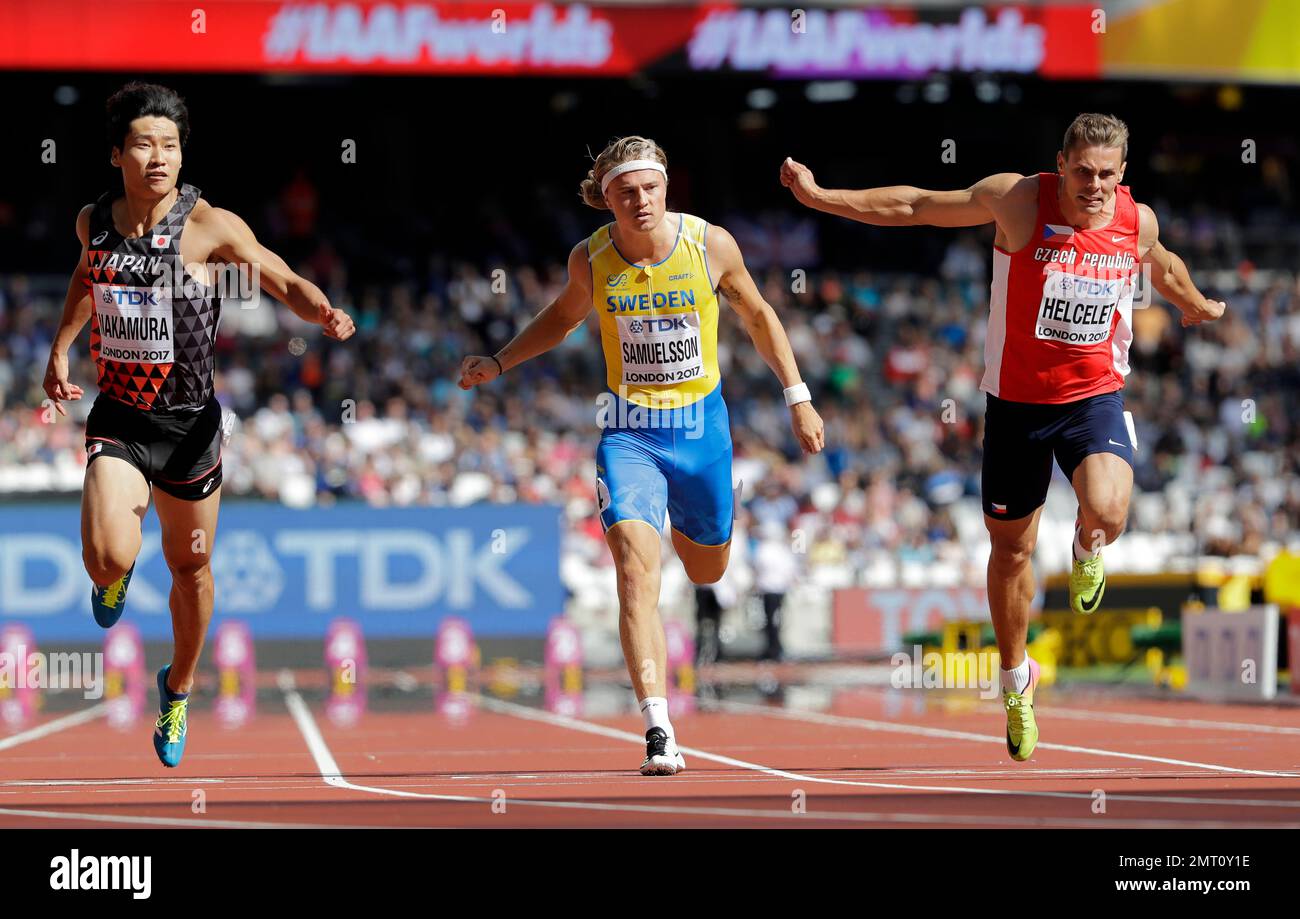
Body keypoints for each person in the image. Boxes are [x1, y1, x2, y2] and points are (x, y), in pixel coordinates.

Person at [780, 113, 1225, 761]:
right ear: (1061, 164)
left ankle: (1085, 544)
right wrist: (823, 198)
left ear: (1121, 173)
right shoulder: (1019, 201)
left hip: (1093, 395)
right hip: (1016, 404)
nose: (1094, 186)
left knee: (1107, 510)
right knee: (1011, 550)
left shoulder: (1137, 219)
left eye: (1107, 174)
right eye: (1082, 172)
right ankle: (1017, 679)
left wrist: (1194, 301)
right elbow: (916, 206)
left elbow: (1159, 261)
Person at [460, 136, 824, 774]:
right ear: (607, 200)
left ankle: (699, 544)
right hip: (628, 429)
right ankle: (659, 725)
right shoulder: (591, 259)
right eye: (625, 193)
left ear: (665, 188)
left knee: (708, 570)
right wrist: (499, 361)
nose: (640, 201)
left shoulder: (709, 245)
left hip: (702, 428)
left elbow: (760, 316)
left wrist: (797, 396)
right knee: (633, 567)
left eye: (649, 188)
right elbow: (562, 317)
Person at [41, 82, 355, 767]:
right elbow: (85, 281)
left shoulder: (209, 225)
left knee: (191, 567)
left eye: (171, 145)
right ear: (118, 152)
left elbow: (277, 276)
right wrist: (62, 346)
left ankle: (177, 687)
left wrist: (322, 310)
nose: (159, 157)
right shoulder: (93, 220)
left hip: (189, 428)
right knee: (108, 555)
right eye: (145, 144)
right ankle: (113, 576)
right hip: (121, 415)